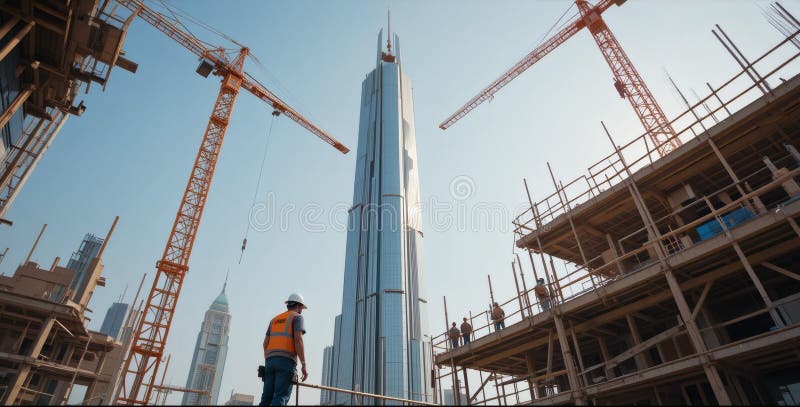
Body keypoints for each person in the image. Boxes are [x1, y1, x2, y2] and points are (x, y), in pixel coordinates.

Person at [260, 293, 308, 406]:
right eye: (302, 307)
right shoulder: (297, 317)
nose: (302, 310)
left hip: (270, 361)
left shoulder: (274, 320)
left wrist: (268, 360)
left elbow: (265, 344)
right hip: (286, 361)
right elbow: (298, 340)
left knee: (266, 398)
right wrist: (304, 365)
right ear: (298, 306)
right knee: (280, 397)